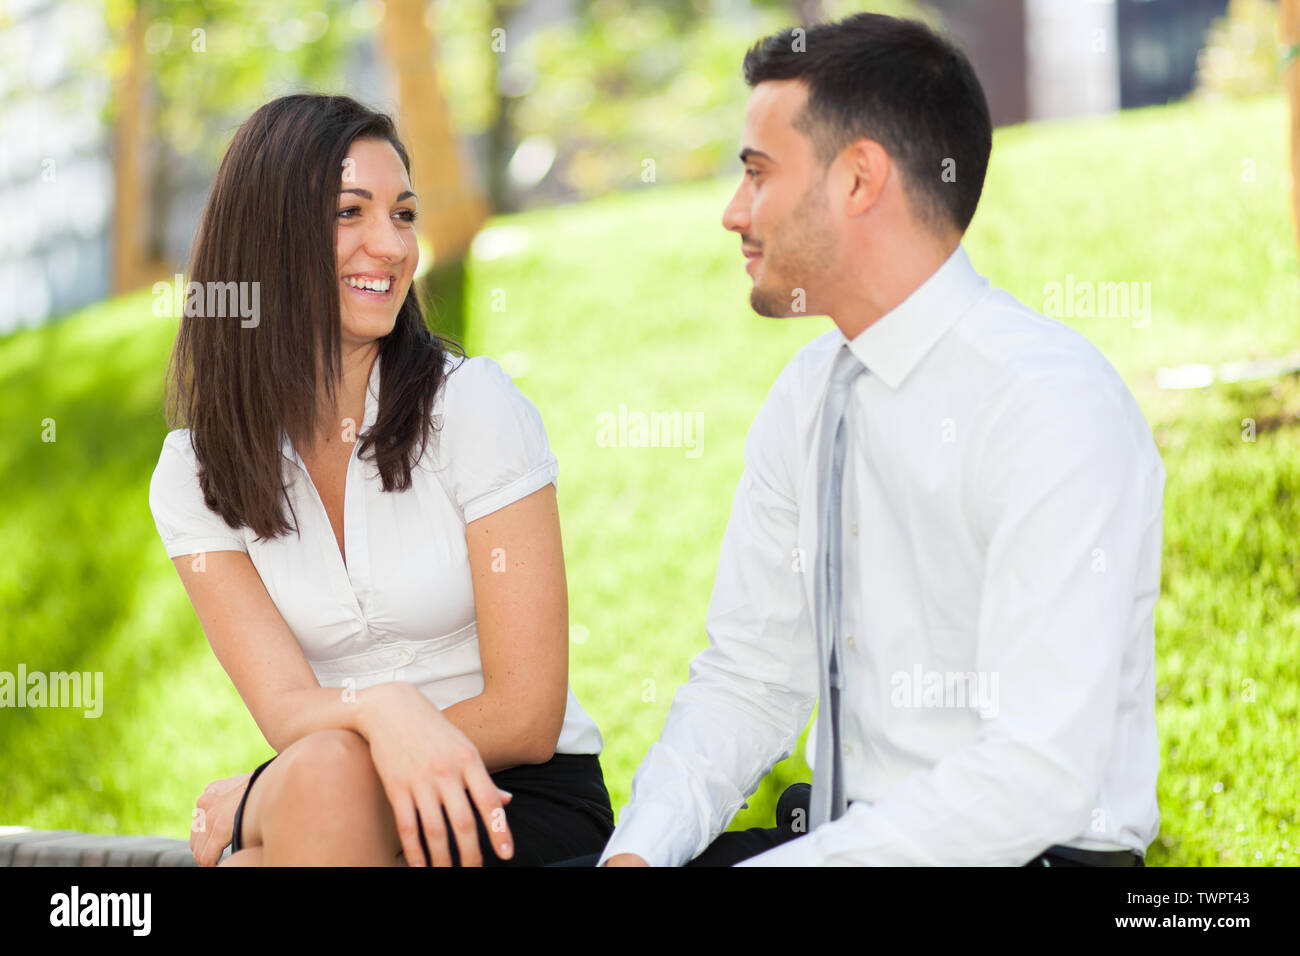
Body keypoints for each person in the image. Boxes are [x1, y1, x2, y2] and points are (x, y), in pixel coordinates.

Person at [595, 13, 1163, 866]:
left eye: (757, 173)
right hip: (833, 838)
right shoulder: (808, 394)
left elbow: (1035, 774)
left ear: (860, 179)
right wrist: (636, 855)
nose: (732, 212)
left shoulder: (1049, 406)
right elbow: (750, 678)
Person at [148, 93, 614, 867]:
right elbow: (289, 707)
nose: (391, 246)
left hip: (513, 798)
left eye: (402, 214)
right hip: (335, 794)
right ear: (267, 240)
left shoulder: (472, 406)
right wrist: (387, 713)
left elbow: (529, 714)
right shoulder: (194, 474)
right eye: (349, 214)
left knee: (265, 845)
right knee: (308, 800)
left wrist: (264, 793)